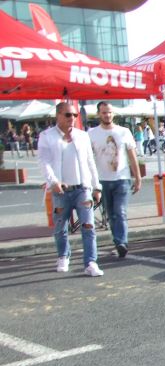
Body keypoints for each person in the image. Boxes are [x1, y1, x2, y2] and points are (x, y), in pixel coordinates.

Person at [37, 102, 103, 276]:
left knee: (88, 226)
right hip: (61, 190)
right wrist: (53, 181)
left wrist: (97, 186)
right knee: (60, 226)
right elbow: (44, 161)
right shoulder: (47, 136)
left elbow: (90, 162)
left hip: (82, 188)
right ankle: (63, 256)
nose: (72, 118)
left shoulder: (82, 136)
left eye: (74, 115)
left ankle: (91, 262)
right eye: (68, 115)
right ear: (58, 115)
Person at [89, 101, 142, 259]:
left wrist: (137, 177)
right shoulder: (91, 133)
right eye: (104, 112)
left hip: (122, 179)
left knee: (120, 212)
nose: (107, 115)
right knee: (111, 214)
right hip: (102, 180)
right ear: (99, 114)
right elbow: (87, 158)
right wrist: (92, 183)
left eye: (110, 112)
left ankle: (122, 243)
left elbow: (132, 156)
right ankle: (117, 241)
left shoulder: (124, 132)